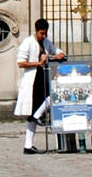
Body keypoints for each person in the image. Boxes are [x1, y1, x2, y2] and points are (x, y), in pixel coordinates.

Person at [15, 17, 67, 153]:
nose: (43, 36)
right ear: (36, 31)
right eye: (41, 33)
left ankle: (36, 119)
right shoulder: (28, 43)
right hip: (33, 80)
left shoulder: (46, 42)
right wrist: (38, 63)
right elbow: (21, 63)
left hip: (45, 78)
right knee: (34, 110)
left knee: (51, 98)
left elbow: (55, 50)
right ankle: (28, 144)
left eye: (45, 33)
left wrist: (59, 54)